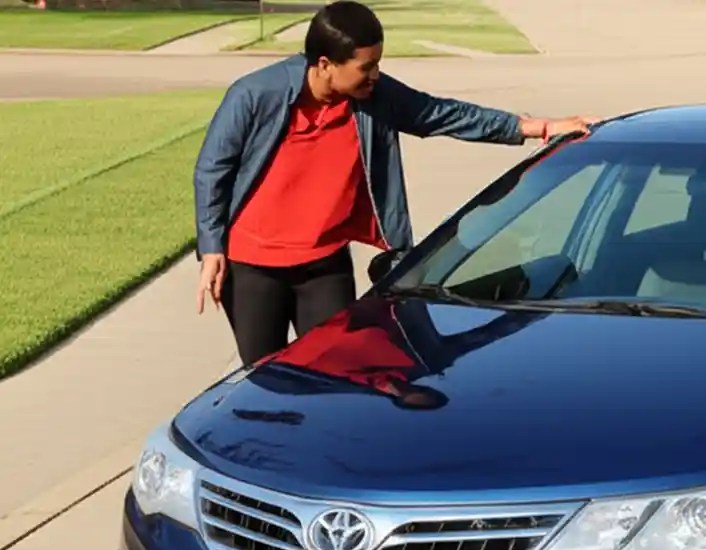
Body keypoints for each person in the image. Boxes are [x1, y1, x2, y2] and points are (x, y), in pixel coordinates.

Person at [193, 0, 598, 366]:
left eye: (378, 64)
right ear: (324, 64)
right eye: (366, 67)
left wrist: (536, 127)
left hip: (323, 266)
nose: (376, 75)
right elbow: (212, 169)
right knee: (265, 380)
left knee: (337, 372)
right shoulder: (253, 95)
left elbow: (444, 114)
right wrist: (211, 248)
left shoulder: (376, 97)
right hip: (253, 269)